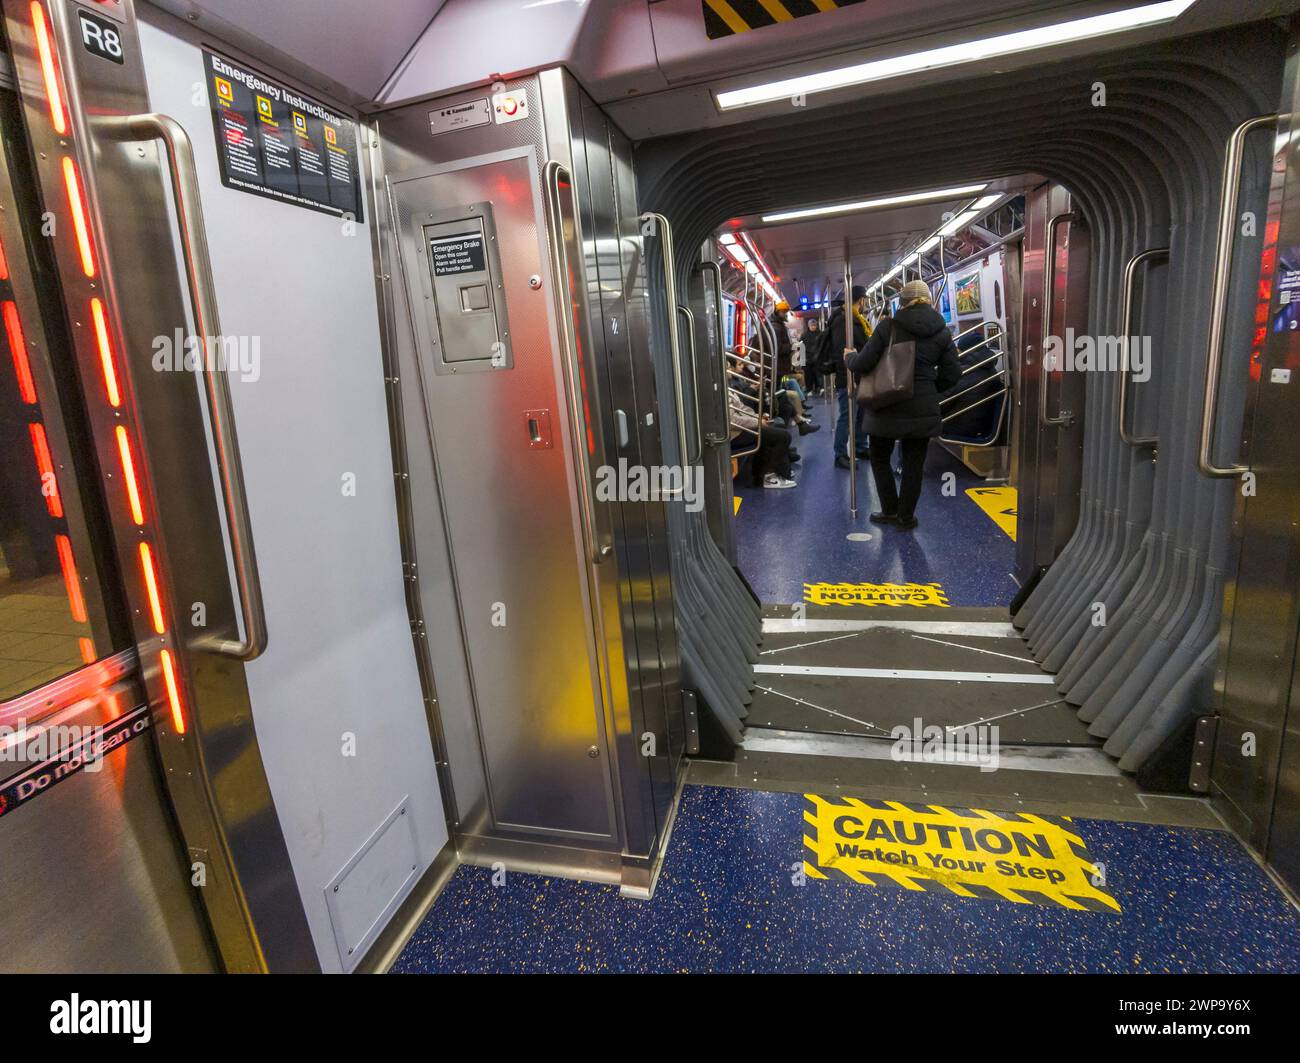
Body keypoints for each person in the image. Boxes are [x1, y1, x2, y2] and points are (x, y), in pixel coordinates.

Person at [847, 279, 961, 529]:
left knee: (879, 458)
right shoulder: (942, 330)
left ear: (903, 302)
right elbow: (952, 374)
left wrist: (849, 357)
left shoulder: (889, 326)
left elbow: (863, 364)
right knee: (913, 464)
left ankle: (889, 509)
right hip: (922, 407)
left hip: (886, 403)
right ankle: (906, 517)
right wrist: (929, 388)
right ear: (929, 301)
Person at [822, 286, 871, 469]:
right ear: (860, 300)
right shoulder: (844, 321)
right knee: (847, 416)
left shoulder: (853, 319)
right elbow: (841, 352)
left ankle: (860, 446)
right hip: (848, 376)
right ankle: (840, 454)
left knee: (860, 415)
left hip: (858, 374)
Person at [728, 387, 796, 489]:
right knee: (783, 436)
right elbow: (732, 421)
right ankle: (771, 477)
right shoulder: (718, 390)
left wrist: (758, 417)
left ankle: (766, 473)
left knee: (777, 427)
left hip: (741, 429)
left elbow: (742, 408)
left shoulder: (727, 388)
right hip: (734, 434)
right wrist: (757, 422)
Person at [801, 316, 823, 394]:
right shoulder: (804, 335)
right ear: (809, 326)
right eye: (812, 325)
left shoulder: (820, 334)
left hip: (817, 358)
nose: (813, 327)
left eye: (814, 325)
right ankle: (809, 389)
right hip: (807, 359)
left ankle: (820, 387)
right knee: (809, 376)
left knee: (818, 374)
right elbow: (801, 348)